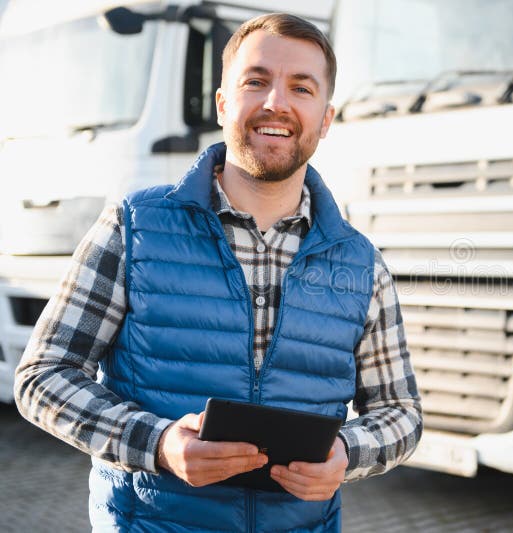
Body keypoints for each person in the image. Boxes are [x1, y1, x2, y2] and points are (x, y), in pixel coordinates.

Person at [14, 13, 422, 533]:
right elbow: (42, 376)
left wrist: (348, 451)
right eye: (256, 81)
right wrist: (158, 443)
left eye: (301, 88)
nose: (276, 102)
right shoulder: (133, 227)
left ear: (325, 119)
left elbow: (400, 411)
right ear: (223, 103)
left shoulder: (361, 263)